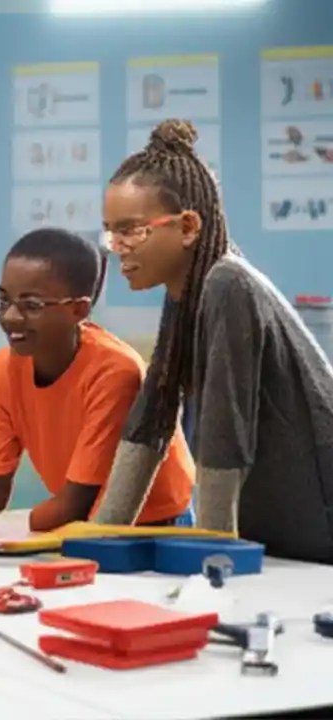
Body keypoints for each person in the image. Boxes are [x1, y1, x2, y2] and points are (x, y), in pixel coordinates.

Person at [93, 119, 333, 564]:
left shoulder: (227, 283)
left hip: (316, 531)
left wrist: (213, 555)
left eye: (132, 230)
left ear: (187, 227)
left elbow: (225, 429)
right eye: (111, 232)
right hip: (283, 534)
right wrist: (101, 541)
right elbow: (154, 414)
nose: (117, 246)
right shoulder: (187, 289)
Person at [0, 228, 194, 547]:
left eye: (31, 305)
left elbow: (74, 505)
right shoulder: (3, 368)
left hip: (156, 525)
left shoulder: (114, 372)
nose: (10, 316)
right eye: (3, 300)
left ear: (79, 310)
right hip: (80, 526)